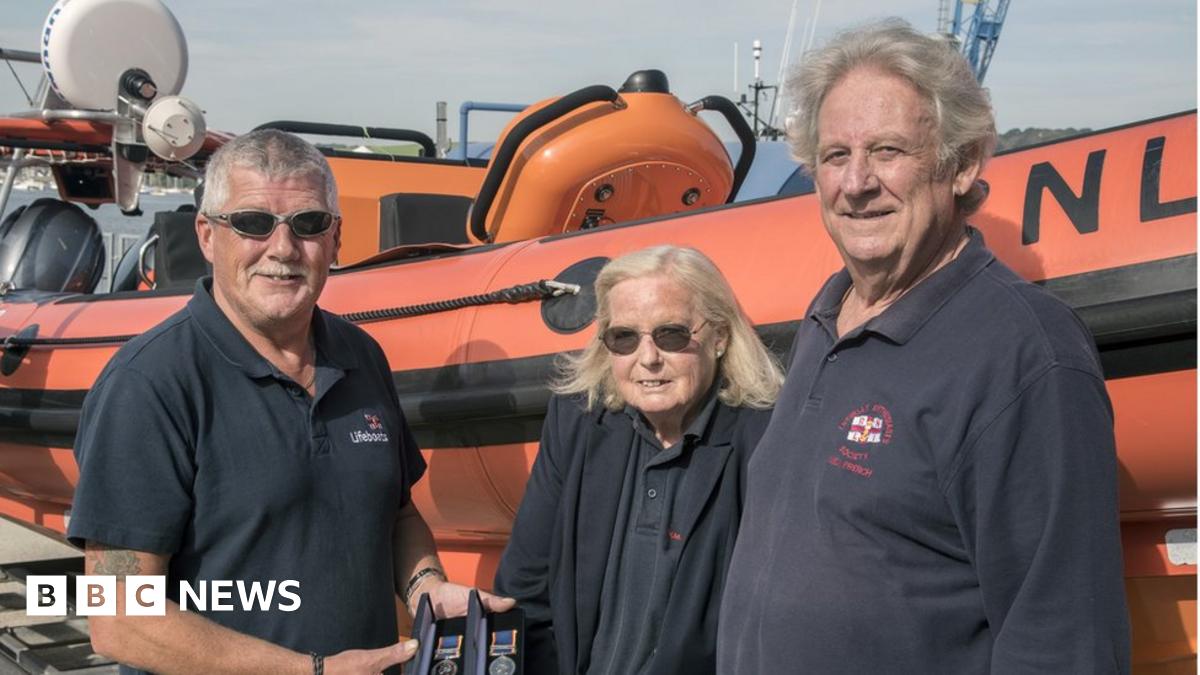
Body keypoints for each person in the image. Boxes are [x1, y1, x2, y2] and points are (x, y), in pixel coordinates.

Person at [717, 19, 1131, 674]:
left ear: (962, 163)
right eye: (834, 156)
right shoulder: (828, 317)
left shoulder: (1024, 356)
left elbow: (1064, 641)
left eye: (887, 151)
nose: (855, 182)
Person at [67, 129, 512, 675]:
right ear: (207, 235)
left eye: (308, 224)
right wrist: (310, 670)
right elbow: (118, 616)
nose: (282, 248)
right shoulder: (149, 384)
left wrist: (426, 587)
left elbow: (396, 511)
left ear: (335, 239)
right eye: (253, 223)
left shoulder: (360, 356)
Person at [495, 245, 783, 675]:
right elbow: (525, 590)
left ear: (719, 337)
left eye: (671, 335)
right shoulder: (577, 423)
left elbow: (776, 620)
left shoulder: (767, 438)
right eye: (624, 338)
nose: (647, 358)